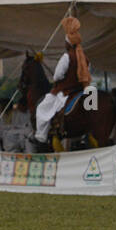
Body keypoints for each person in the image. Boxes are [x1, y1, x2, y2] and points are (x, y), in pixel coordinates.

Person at [32, 16, 90, 150]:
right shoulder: (85, 58)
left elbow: (58, 75)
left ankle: (41, 136)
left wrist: (56, 80)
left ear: (68, 44)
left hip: (66, 91)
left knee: (42, 108)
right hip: (81, 89)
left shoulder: (66, 56)